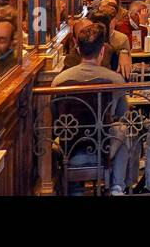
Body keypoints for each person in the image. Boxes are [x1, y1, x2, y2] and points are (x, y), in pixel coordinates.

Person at [50, 22, 135, 194]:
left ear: (78, 49)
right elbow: (122, 114)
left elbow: (55, 116)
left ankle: (74, 188)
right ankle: (118, 185)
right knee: (125, 129)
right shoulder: (115, 80)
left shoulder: (59, 81)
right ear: (102, 51)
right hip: (103, 150)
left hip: (70, 152)